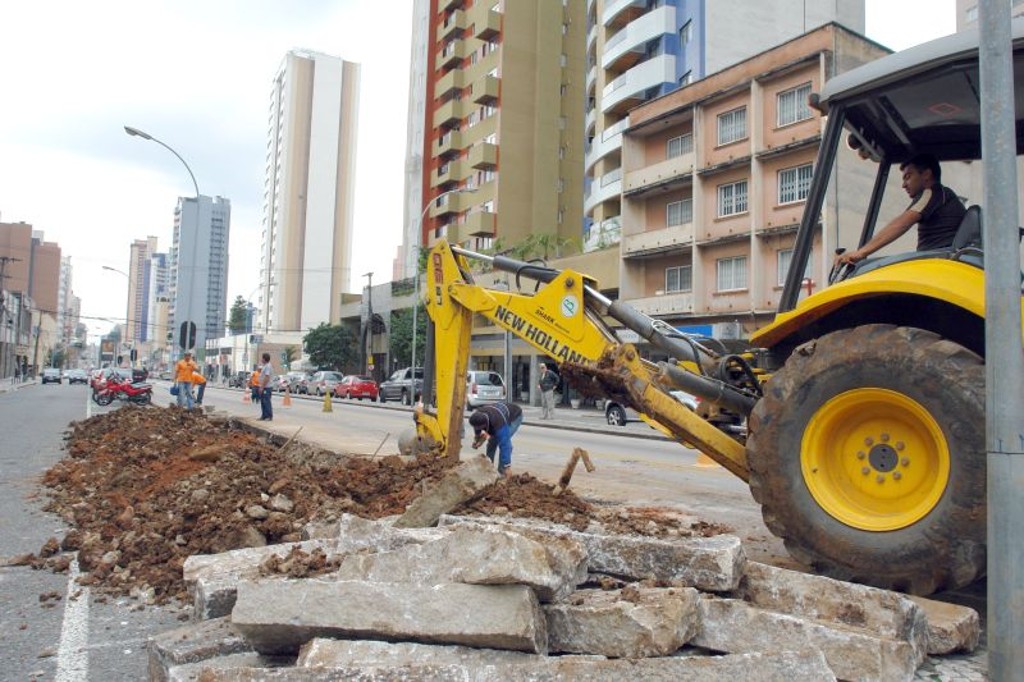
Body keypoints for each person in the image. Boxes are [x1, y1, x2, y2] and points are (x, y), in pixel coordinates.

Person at [836, 153, 965, 267]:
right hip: (938, 260)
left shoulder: (931, 193)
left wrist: (861, 252)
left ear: (926, 174)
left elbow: (902, 223)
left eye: (908, 177)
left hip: (938, 262)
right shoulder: (941, 195)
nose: (903, 185)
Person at [468, 401, 523, 478]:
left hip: (515, 416)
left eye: (481, 427)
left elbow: (505, 445)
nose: (479, 428)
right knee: (491, 443)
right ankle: (488, 468)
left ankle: (502, 472)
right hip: (498, 412)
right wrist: (477, 439)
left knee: (501, 441)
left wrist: (507, 466)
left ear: (486, 424)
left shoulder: (498, 423)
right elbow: (477, 429)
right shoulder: (477, 416)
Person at [257, 352, 274, 421]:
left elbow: (267, 377)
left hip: (267, 387)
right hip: (264, 386)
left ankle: (269, 416)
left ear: (264, 359)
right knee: (263, 402)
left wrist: (262, 387)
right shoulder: (265, 366)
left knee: (266, 401)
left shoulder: (268, 366)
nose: (261, 359)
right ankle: (264, 415)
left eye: (262, 358)